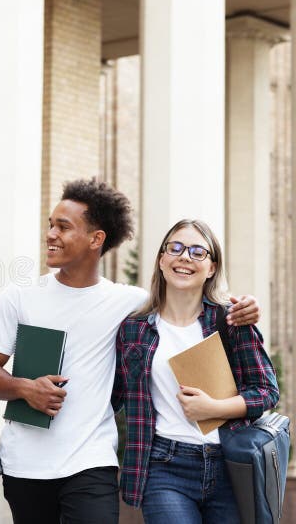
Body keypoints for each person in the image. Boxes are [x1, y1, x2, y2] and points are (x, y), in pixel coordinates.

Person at [0, 178, 260, 524]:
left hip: (92, 461)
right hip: (25, 461)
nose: (50, 234)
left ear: (96, 239)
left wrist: (241, 306)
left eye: (63, 227)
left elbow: (188, 297)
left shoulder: (130, 304)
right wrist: (25, 388)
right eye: (50, 225)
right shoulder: (20, 298)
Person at [112, 219, 278, 523]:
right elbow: (113, 396)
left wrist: (214, 408)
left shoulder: (230, 321)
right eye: (175, 248)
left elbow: (267, 391)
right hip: (164, 466)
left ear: (212, 267)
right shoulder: (134, 329)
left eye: (197, 251)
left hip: (230, 465)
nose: (185, 257)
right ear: (162, 260)